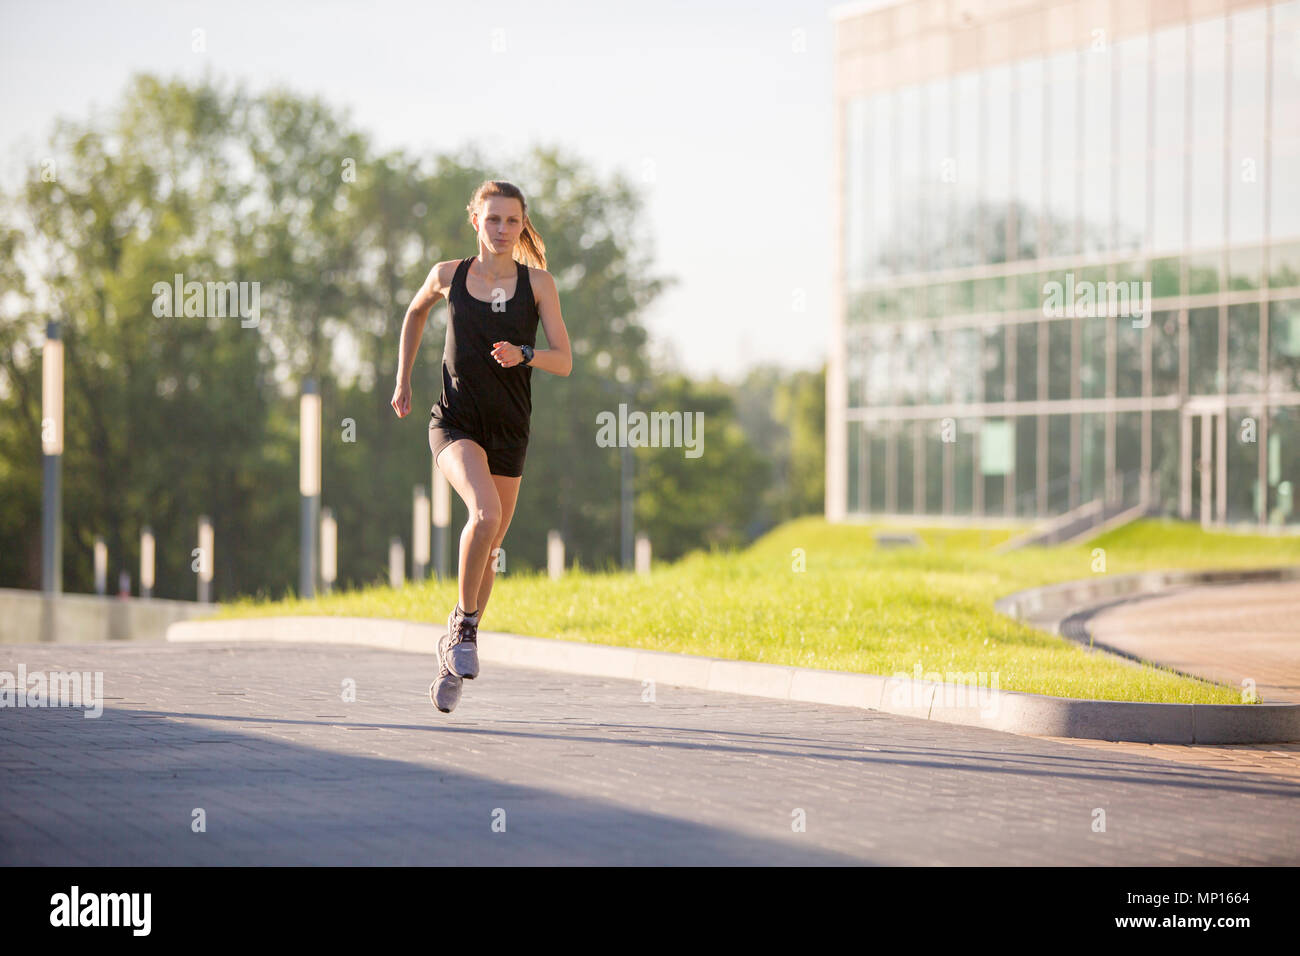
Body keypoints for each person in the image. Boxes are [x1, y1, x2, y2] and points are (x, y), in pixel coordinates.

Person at [391, 180, 572, 713]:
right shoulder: (449, 275)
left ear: (522, 225)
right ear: (475, 219)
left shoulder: (538, 285)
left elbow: (563, 358)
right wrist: (402, 380)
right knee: (484, 513)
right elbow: (414, 313)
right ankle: (466, 630)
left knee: (490, 545)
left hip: (511, 429)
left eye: (512, 221)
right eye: (492, 219)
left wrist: (525, 352)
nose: (502, 230)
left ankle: (454, 647)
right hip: (455, 422)